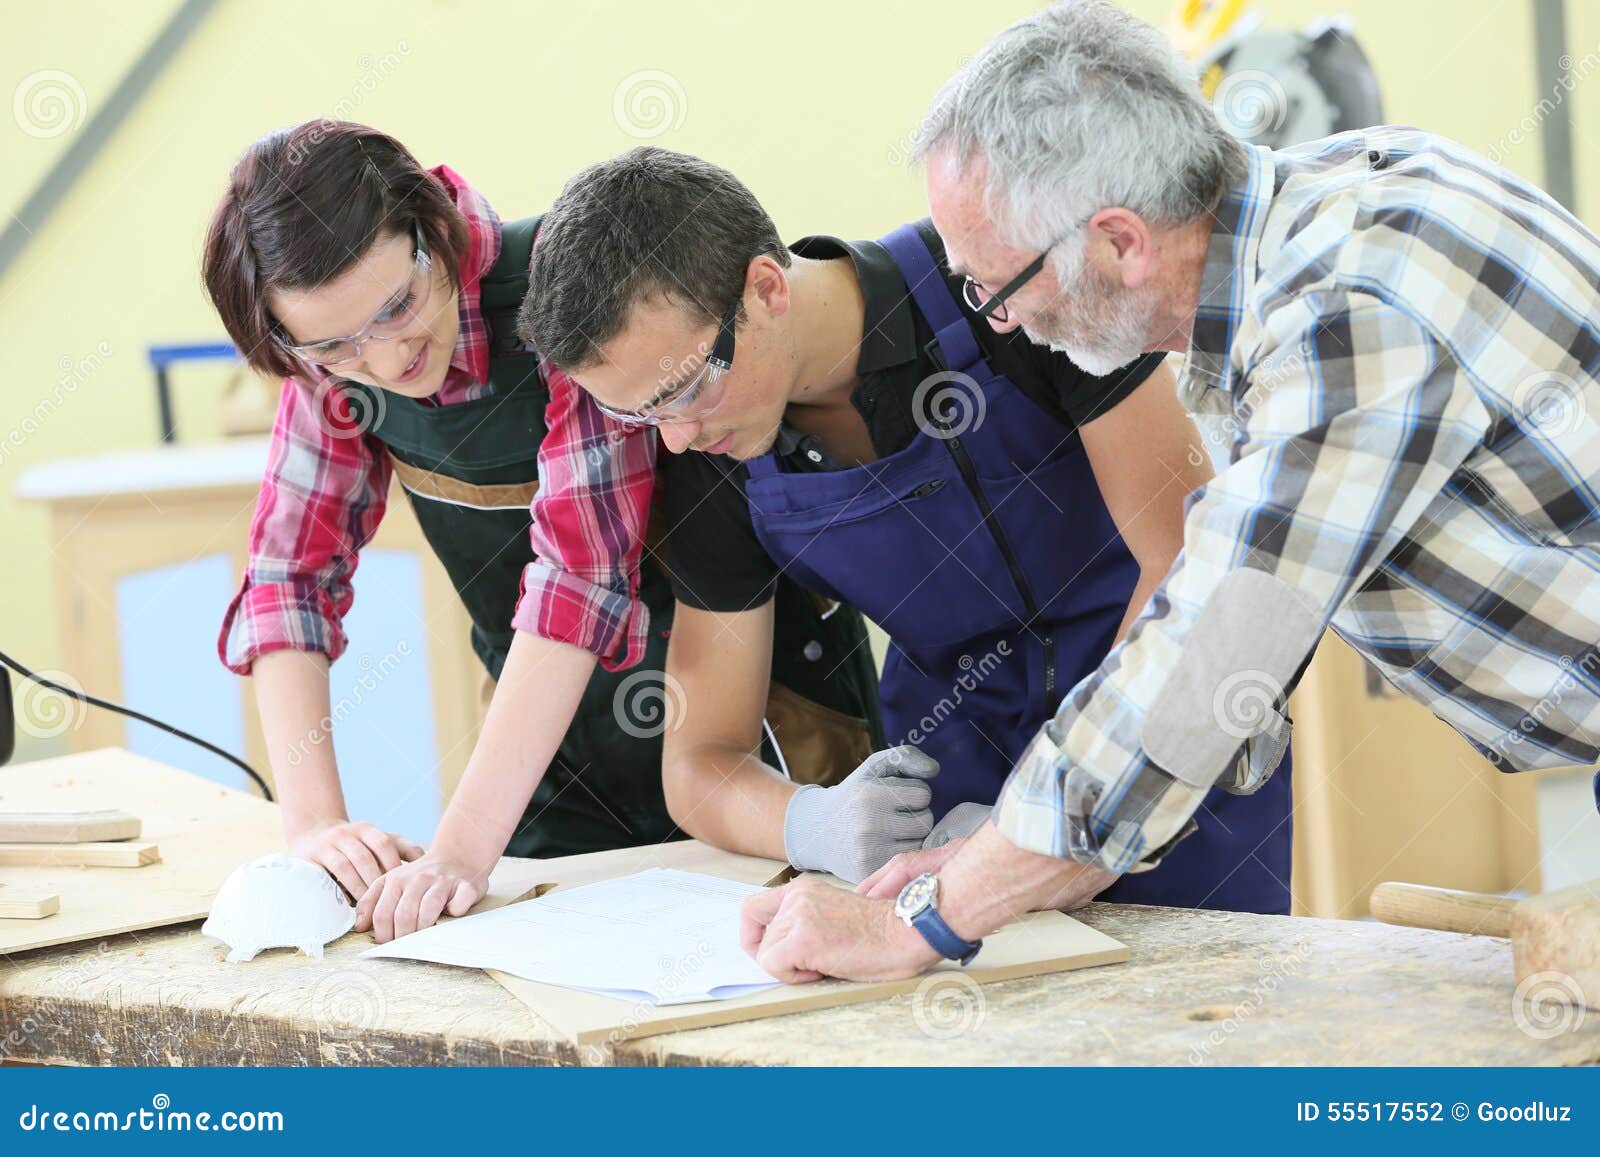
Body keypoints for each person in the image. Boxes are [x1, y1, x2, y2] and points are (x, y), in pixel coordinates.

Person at [739, 0, 1600, 984]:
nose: (1004, 324)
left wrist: (927, 919)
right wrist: (1023, 860)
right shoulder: (1329, 207)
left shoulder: (1342, 314)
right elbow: (1236, 674)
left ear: (1119, 242)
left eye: (996, 285)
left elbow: (1209, 657)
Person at [522, 147, 1293, 902]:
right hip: (952, 777)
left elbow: (1187, 564)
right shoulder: (716, 451)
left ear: (766, 288)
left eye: (686, 388)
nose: (676, 437)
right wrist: (811, 820)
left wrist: (1057, 806)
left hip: (1166, 736)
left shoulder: (1002, 286)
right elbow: (698, 763)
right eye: (637, 411)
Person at [202, 120, 888, 943]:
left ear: (433, 229)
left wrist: (456, 851)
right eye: (336, 344)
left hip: (759, 732)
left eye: (398, 307)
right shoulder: (326, 363)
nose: (384, 362)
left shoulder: (566, 289)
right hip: (546, 758)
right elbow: (290, 579)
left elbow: (578, 576)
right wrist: (314, 830)